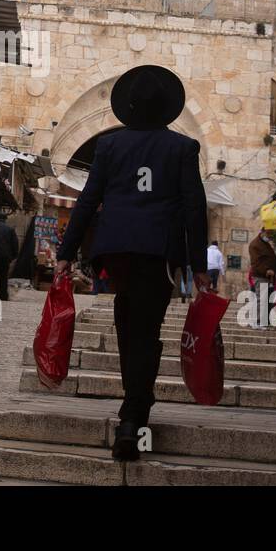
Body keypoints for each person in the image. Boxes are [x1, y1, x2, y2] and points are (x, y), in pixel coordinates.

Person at [55, 65, 209, 461]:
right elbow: (195, 208)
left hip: (118, 249)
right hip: (158, 251)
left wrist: (65, 253)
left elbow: (87, 201)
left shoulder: (109, 147)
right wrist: (198, 265)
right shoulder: (183, 148)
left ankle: (133, 406)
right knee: (145, 325)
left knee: (128, 321)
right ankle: (135, 412)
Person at [247, 228, 276, 329]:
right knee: (261, 298)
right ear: (262, 232)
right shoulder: (255, 245)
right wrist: (267, 270)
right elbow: (256, 263)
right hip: (260, 275)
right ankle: (257, 321)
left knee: (263, 299)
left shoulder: (265, 243)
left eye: (270, 235)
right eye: (268, 234)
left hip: (266, 276)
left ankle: (260, 320)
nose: (269, 237)